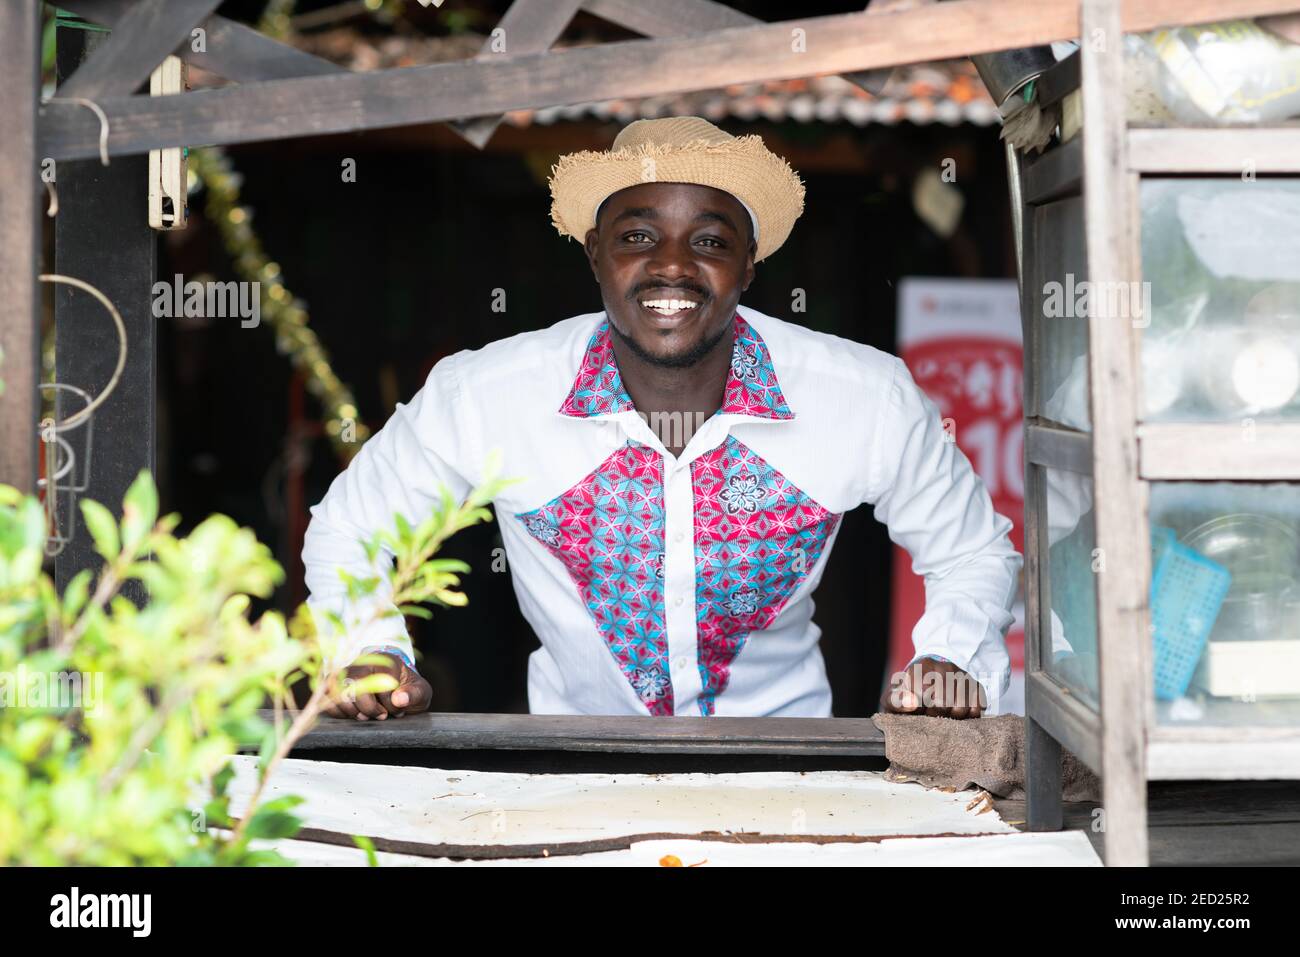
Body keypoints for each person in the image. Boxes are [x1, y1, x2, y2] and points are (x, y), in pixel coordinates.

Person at [303, 116, 1021, 721]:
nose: (671, 266)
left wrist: (948, 657)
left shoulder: (864, 397)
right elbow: (350, 525)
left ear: (748, 267)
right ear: (595, 255)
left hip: (789, 773)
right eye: (638, 237)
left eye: (709, 241)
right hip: (569, 777)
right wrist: (372, 651)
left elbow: (973, 553)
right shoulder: (488, 394)